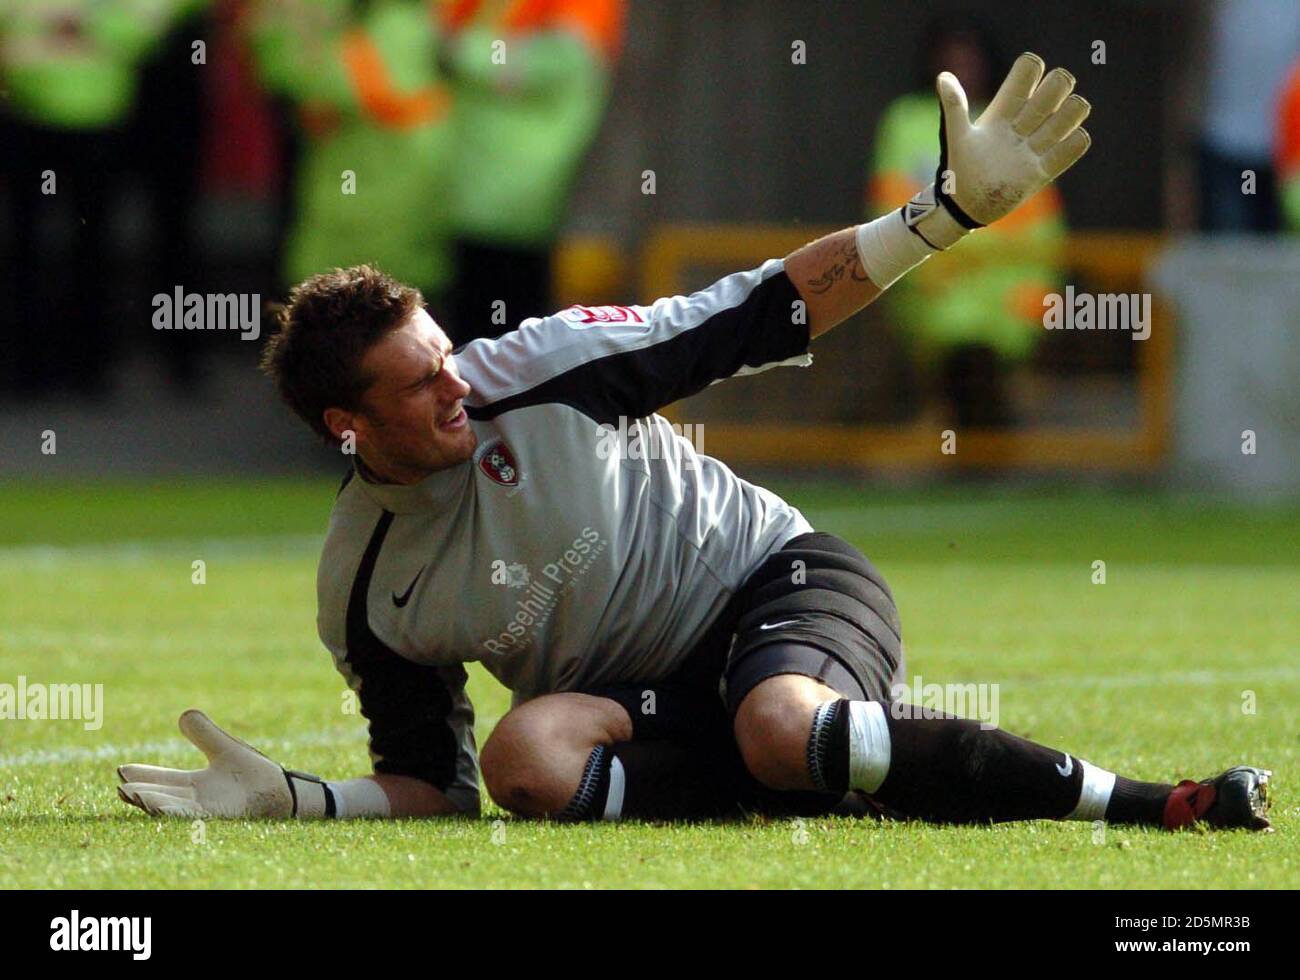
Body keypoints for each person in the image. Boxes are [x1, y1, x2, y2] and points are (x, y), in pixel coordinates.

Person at [116, 54, 1270, 831]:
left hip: (774, 582)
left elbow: (766, 307)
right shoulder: (365, 587)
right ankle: (815, 771)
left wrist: (941, 218)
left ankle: (1154, 802)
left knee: (774, 720)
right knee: (530, 760)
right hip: (648, 701)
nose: (455, 385)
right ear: (345, 426)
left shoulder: (542, 367)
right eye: (418, 387)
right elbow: (438, 781)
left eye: (447, 354)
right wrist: (304, 800)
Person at [868, 18, 1065, 428]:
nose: (960, 69)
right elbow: (889, 208)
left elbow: (1043, 228)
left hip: (1005, 295)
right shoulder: (907, 120)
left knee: (985, 378)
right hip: (933, 286)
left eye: (968, 59)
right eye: (950, 60)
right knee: (962, 364)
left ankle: (983, 446)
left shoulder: (1014, 124)